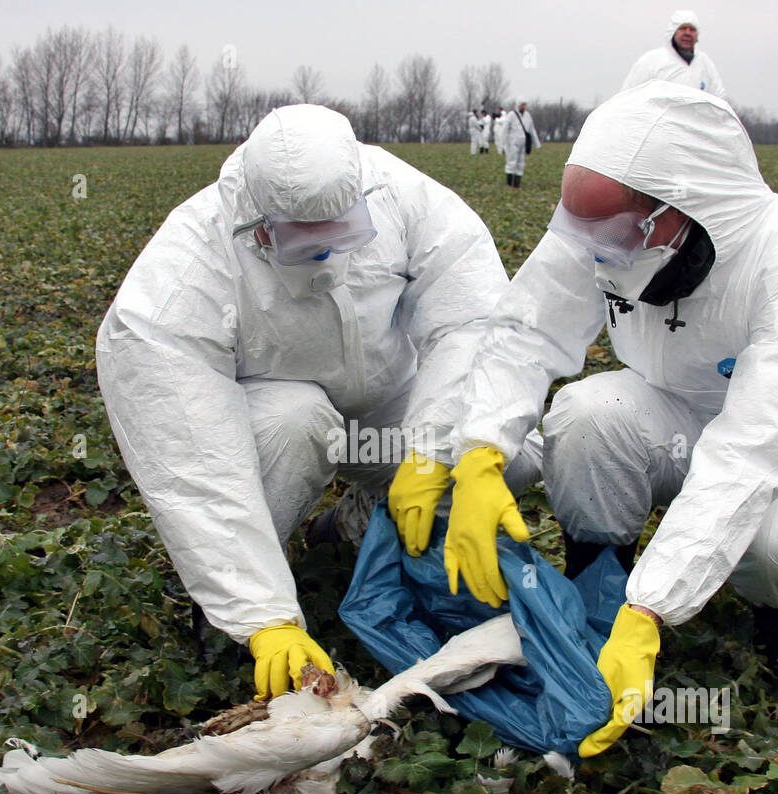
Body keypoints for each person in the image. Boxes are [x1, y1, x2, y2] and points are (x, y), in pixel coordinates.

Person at [388, 82, 778, 757]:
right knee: (589, 414)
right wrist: (479, 452)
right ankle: (599, 591)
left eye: (620, 232)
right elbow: (525, 335)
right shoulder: (605, 231)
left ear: (687, 210)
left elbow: (750, 448)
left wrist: (654, 611)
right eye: (588, 232)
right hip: (667, 399)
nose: (599, 250)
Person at [96, 104, 540, 701]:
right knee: (292, 422)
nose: (329, 255)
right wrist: (260, 615)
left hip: (389, 408)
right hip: (286, 412)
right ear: (257, 227)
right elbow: (190, 454)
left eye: (341, 234)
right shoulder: (187, 269)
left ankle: (357, 520)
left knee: (511, 457)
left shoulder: (404, 195)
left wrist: (433, 450)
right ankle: (244, 605)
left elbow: (473, 321)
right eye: (306, 242)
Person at [622, 9, 727, 99]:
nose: (687, 33)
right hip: (660, 122)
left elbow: (719, 98)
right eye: (682, 28)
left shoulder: (705, 64)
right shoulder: (652, 61)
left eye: (692, 29)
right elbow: (628, 95)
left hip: (695, 122)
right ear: (673, 32)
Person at [500, 101, 541, 188]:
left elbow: (531, 129)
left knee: (521, 163)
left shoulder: (527, 115)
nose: (523, 107)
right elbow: (505, 129)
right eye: (522, 105)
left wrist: (536, 143)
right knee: (511, 162)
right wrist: (503, 143)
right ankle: (509, 182)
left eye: (524, 105)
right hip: (512, 142)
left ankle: (517, 183)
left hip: (523, 143)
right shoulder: (511, 115)